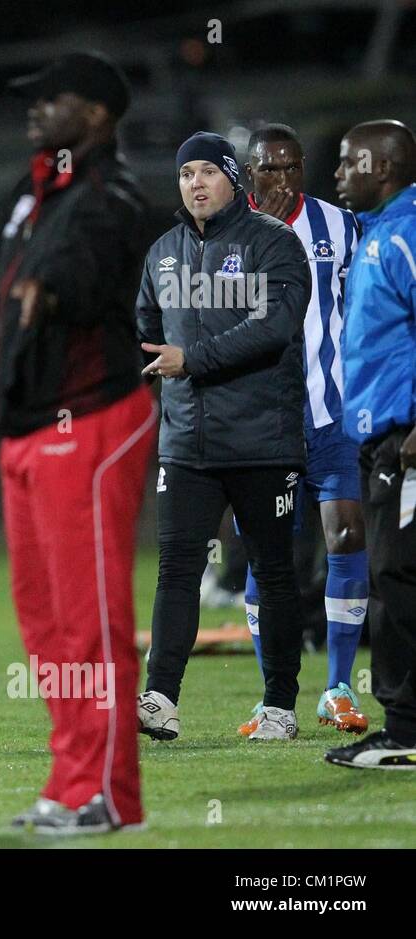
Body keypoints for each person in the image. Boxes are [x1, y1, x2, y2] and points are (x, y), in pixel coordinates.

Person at [0, 52, 154, 835]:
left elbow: (90, 277)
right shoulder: (33, 195)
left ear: (95, 116)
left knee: (92, 622)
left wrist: (52, 289)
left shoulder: (110, 193)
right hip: (26, 425)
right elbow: (7, 301)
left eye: (51, 101)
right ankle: (69, 778)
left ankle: (109, 794)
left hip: (89, 418)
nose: (34, 111)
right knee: (45, 625)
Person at [135, 132, 311, 742]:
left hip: (263, 438)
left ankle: (281, 706)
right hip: (186, 442)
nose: (197, 183)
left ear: (234, 179)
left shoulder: (275, 244)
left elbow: (276, 328)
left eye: (210, 171)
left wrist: (194, 360)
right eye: (187, 174)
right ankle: (160, 698)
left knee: (273, 569)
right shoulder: (162, 253)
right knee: (177, 569)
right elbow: (146, 329)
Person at [235, 124, 369, 738]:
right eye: (271, 168)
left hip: (333, 415)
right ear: (249, 171)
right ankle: (272, 699)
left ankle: (338, 686)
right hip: (262, 426)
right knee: (270, 557)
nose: (284, 179)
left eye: (294, 167)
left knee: (344, 535)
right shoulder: (226, 237)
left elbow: (371, 306)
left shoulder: (341, 228)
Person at [326, 119, 416, 770]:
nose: (336, 175)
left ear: (382, 168)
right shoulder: (376, 232)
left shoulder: (406, 233)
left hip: (404, 440)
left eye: (347, 163)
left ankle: (406, 728)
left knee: (398, 575)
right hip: (378, 438)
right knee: (393, 574)